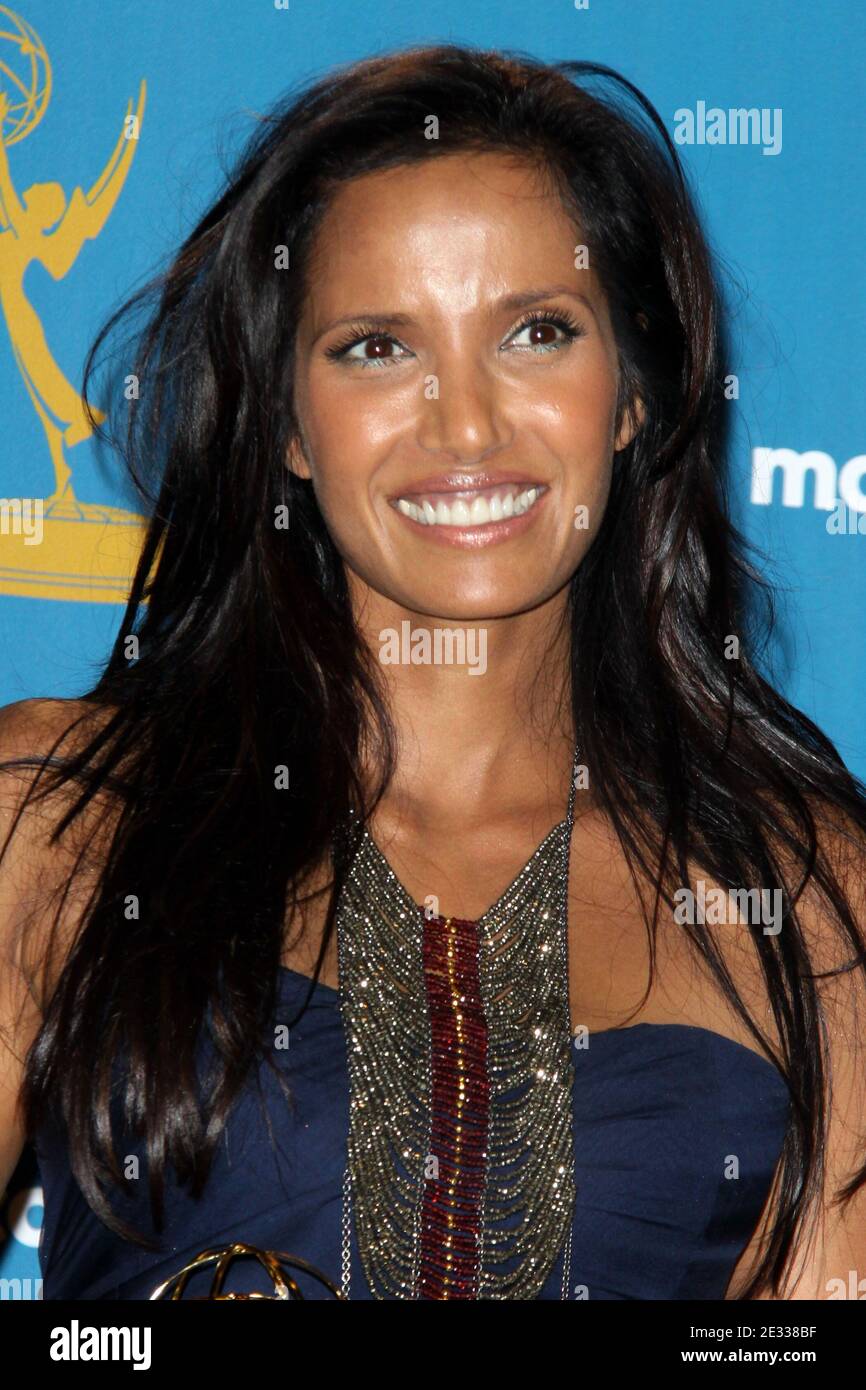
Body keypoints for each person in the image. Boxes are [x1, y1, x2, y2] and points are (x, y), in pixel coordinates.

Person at [1, 43, 865, 1302]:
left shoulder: (811, 896)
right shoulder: (57, 815)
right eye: (374, 347)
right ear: (284, 422)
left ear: (631, 392)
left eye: (535, 330)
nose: (464, 425)